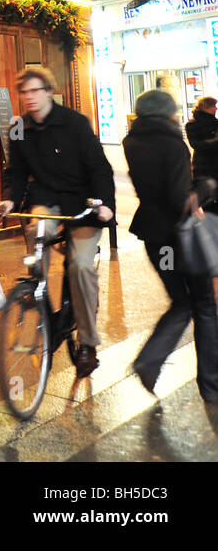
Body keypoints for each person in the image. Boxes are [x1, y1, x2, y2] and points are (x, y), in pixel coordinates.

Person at [0, 67, 115, 378]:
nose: (30, 98)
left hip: (83, 203)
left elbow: (100, 168)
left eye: (35, 91)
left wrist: (105, 207)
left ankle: (88, 343)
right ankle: (39, 300)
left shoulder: (75, 123)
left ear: (49, 91)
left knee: (79, 266)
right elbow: (17, 172)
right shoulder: (19, 127)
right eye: (24, 93)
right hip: (46, 200)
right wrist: (10, 198)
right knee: (37, 238)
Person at [122, 90, 218, 403]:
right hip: (181, 239)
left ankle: (150, 362)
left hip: (156, 240)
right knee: (203, 305)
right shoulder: (173, 143)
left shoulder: (131, 142)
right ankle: (211, 385)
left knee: (181, 301)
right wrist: (205, 188)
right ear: (167, 113)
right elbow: (180, 199)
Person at [186, 97, 218, 182]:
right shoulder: (192, 124)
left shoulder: (215, 122)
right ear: (205, 107)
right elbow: (196, 144)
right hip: (203, 167)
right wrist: (214, 141)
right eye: (213, 106)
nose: (216, 108)